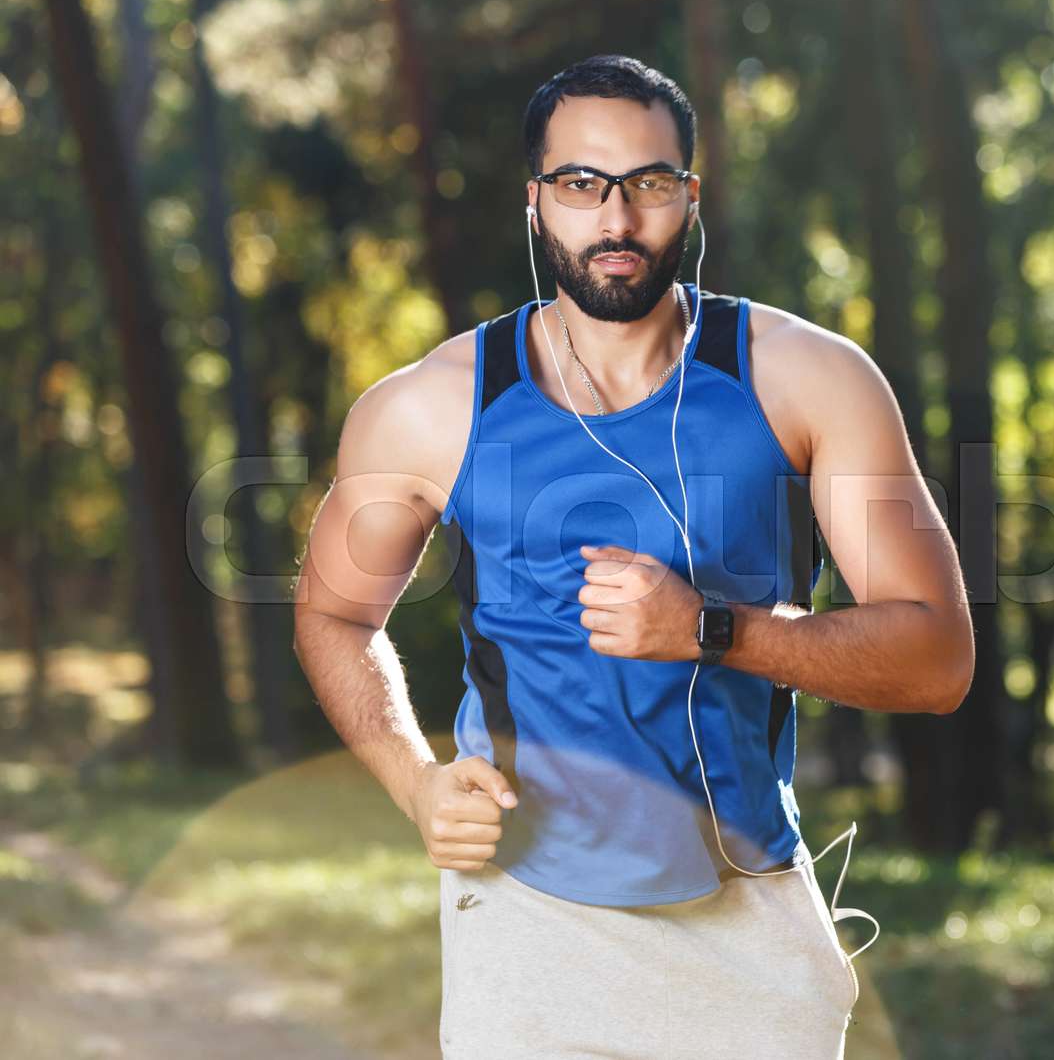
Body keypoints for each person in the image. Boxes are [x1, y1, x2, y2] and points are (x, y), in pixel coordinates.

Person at [292, 53, 973, 1059]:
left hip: (747, 920)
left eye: (648, 183)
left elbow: (937, 660)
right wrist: (415, 780)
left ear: (688, 197)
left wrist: (710, 628)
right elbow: (334, 614)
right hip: (526, 923)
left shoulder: (807, 379)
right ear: (536, 203)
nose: (615, 220)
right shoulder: (429, 406)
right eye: (580, 185)